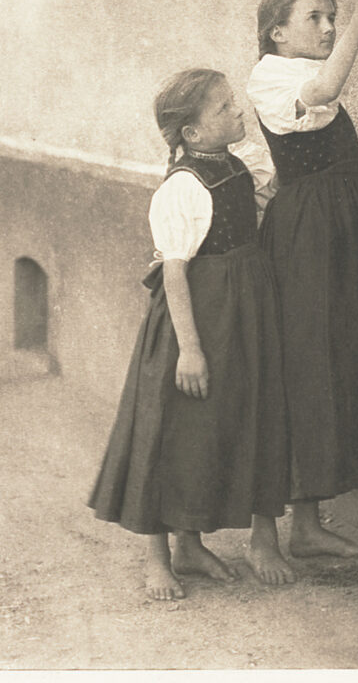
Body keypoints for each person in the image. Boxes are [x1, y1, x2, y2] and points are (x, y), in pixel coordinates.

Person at [89, 69, 295, 598]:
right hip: (196, 319)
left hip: (245, 308)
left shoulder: (237, 163)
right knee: (172, 429)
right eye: (225, 109)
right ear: (193, 135)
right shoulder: (182, 187)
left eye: (233, 104)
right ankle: (159, 556)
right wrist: (191, 351)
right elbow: (175, 271)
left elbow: (260, 198)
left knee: (245, 415)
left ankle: (199, 543)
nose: (237, 114)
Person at [246, 0, 358, 558]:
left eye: (333, 17)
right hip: (311, 231)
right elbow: (327, 84)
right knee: (306, 363)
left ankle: (309, 525)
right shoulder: (271, 76)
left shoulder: (297, 75)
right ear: (276, 32)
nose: (329, 28)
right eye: (316, 18)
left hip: (345, 225)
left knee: (340, 357)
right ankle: (280, 526)